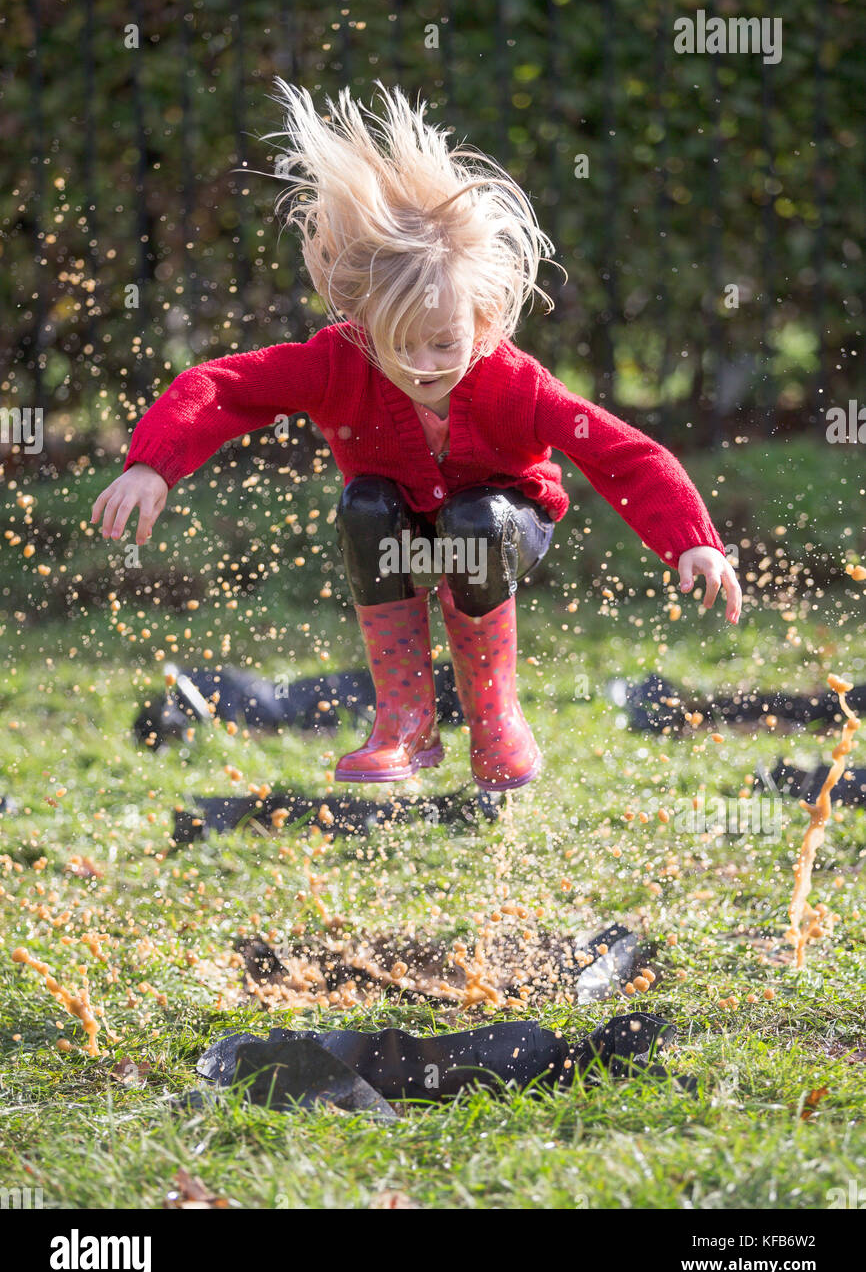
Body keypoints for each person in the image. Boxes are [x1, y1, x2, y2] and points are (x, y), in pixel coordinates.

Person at [91, 82, 740, 792]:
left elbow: (625, 454)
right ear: (363, 324)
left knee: (475, 517)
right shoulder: (335, 362)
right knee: (365, 502)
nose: (422, 365)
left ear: (485, 320)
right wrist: (153, 465)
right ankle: (404, 721)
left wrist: (693, 540)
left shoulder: (516, 384)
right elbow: (222, 387)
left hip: (503, 521)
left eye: (443, 343)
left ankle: (496, 722)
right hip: (398, 521)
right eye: (398, 344)